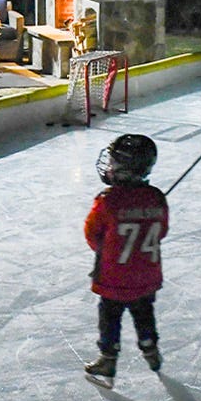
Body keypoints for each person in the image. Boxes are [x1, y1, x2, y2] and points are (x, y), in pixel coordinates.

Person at [81, 132, 168, 385]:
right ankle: (150, 348)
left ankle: (108, 358)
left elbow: (92, 235)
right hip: (147, 277)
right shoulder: (156, 198)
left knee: (110, 318)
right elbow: (161, 231)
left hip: (113, 280)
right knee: (144, 312)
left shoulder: (107, 201)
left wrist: (109, 250)